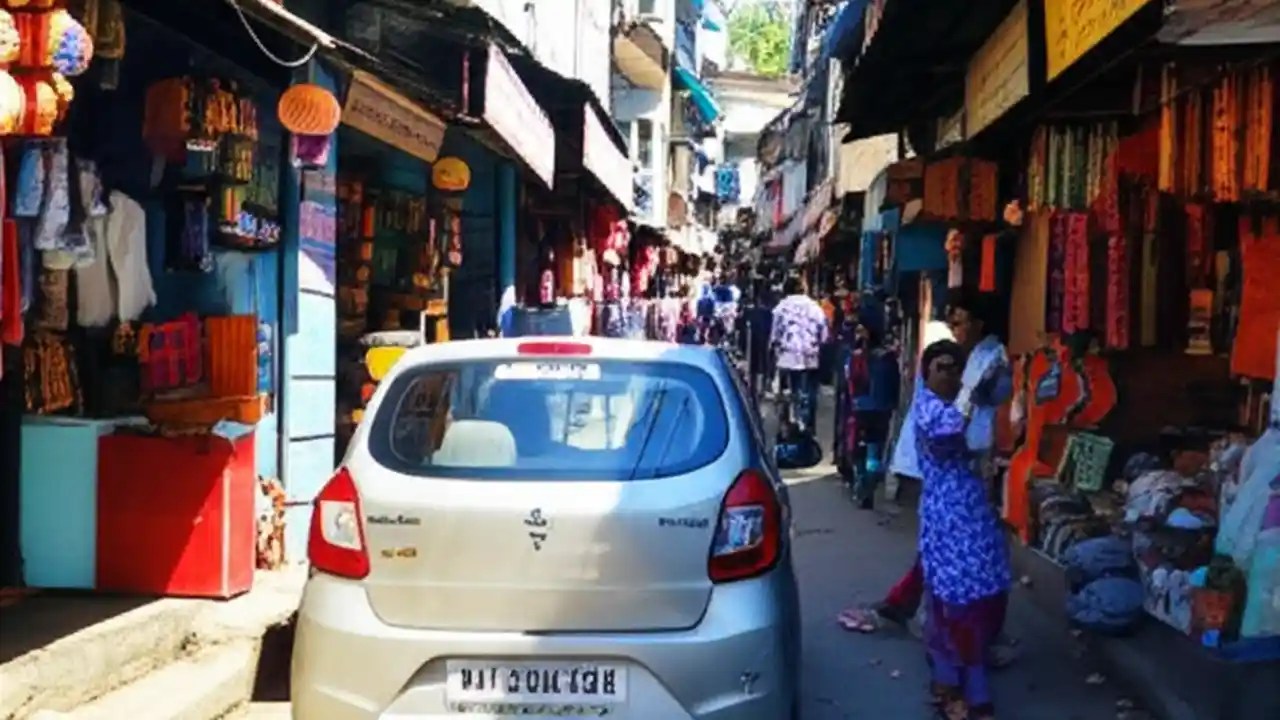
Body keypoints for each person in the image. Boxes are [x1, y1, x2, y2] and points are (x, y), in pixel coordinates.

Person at [839, 293, 1014, 653]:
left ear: (979, 323)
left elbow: (986, 414)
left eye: (961, 320)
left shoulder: (990, 360)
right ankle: (947, 629)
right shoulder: (943, 395)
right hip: (951, 483)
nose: (956, 327)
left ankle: (965, 633)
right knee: (951, 558)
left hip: (969, 477)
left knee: (973, 562)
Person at [914, 340, 1011, 720]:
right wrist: (975, 393)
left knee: (979, 596)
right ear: (927, 374)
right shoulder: (929, 410)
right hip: (946, 517)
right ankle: (964, 689)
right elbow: (951, 434)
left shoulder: (962, 407)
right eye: (942, 368)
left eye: (956, 368)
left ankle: (954, 679)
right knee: (957, 605)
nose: (950, 375)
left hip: (973, 512)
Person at [770, 275, 829, 432]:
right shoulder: (816, 308)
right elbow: (824, 336)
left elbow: (774, 336)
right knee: (809, 393)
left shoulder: (780, 308)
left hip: (787, 359)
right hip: (811, 358)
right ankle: (807, 427)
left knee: (790, 393)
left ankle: (790, 426)